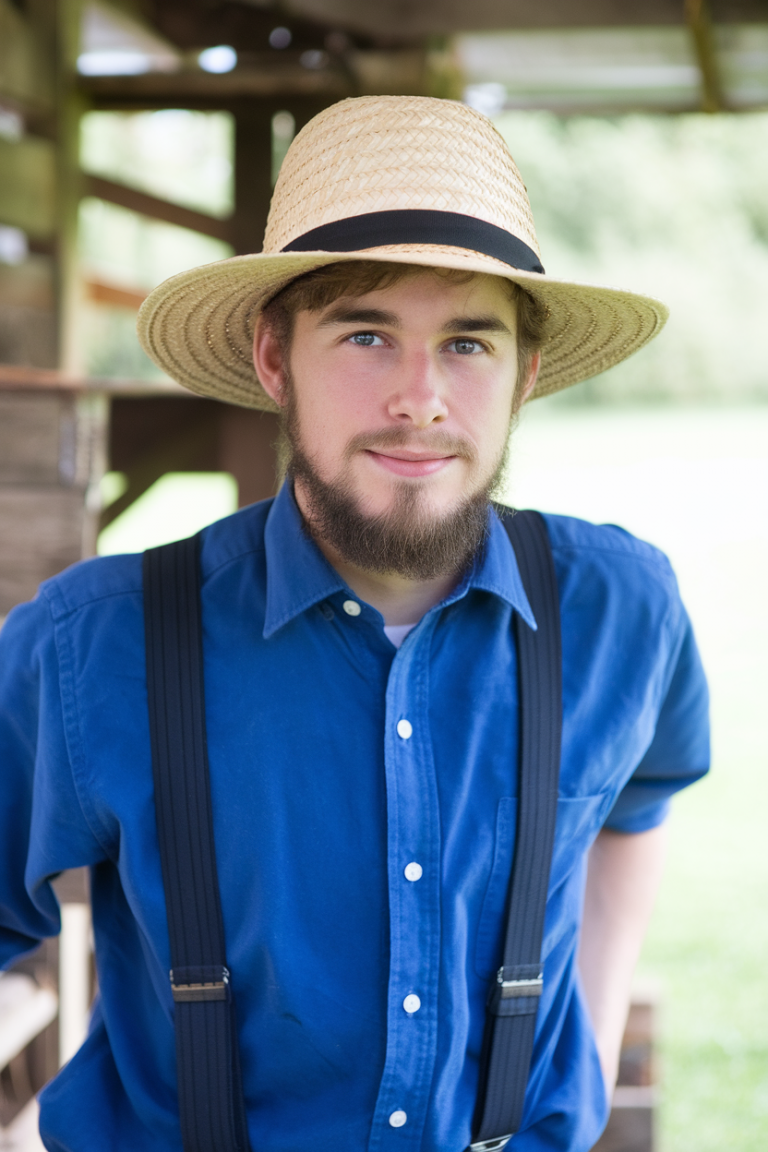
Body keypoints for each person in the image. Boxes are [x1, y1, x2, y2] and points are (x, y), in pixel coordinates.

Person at [0, 95, 709, 1152]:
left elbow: (636, 801)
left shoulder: (621, 608)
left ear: (528, 377)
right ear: (276, 360)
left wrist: (590, 1051)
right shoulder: (93, 645)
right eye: (367, 334)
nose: (421, 397)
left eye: (469, 342)